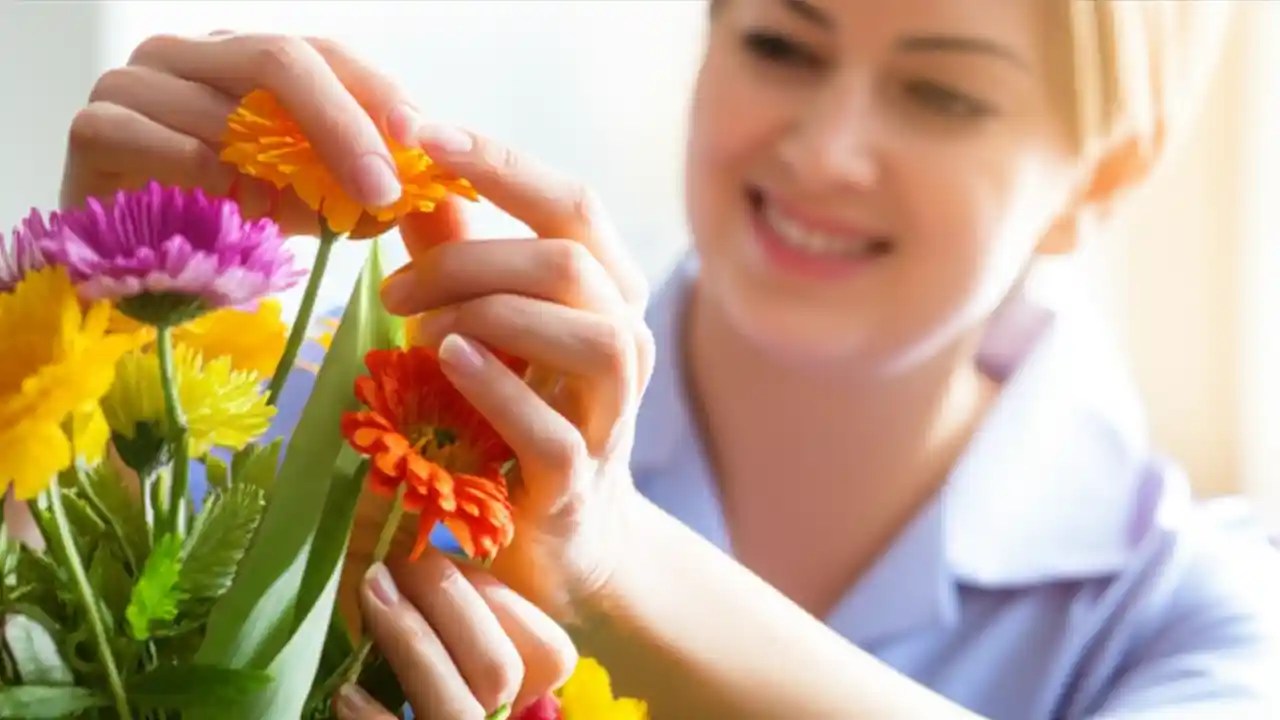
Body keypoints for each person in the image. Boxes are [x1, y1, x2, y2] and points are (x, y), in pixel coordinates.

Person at [57, 0, 1280, 718]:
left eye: (943, 97)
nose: (823, 149)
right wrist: (95, 334)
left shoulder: (1194, 618)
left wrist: (610, 557)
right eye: (783, 48)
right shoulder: (351, 404)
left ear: (1102, 180)